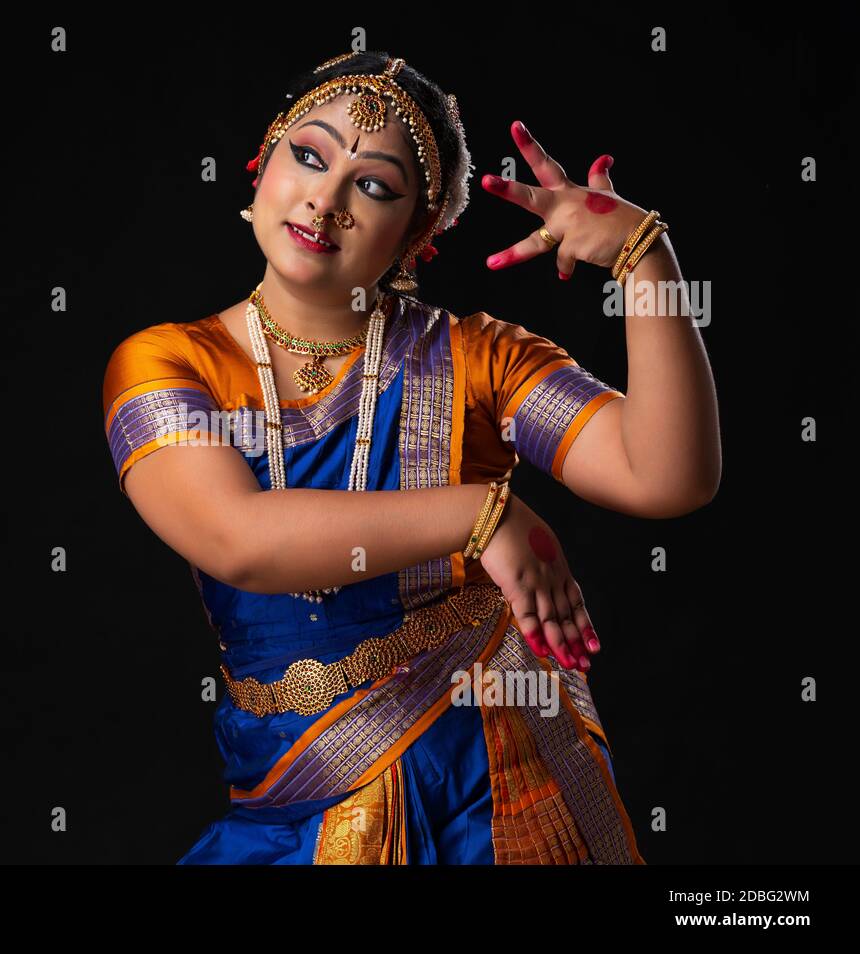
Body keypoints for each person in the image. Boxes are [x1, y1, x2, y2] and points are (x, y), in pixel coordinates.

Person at [101, 51, 719, 864]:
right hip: (290, 796)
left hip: (493, 788)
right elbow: (238, 540)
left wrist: (645, 258)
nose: (325, 199)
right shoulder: (168, 364)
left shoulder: (479, 360)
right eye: (310, 156)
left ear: (419, 235)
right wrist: (481, 513)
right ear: (261, 162)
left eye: (375, 187)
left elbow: (666, 475)